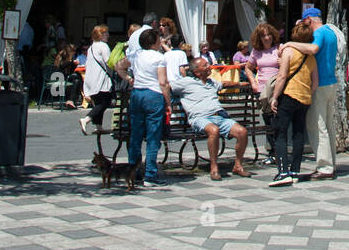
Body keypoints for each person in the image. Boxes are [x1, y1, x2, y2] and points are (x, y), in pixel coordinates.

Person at [172, 57, 254, 180]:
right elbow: (166, 86)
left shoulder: (211, 82)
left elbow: (224, 84)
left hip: (219, 116)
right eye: (205, 65)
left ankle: (238, 165)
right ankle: (214, 167)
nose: (209, 66)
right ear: (197, 71)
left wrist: (239, 83)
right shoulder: (186, 82)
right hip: (200, 118)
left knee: (242, 132)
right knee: (214, 130)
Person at [115, 26, 170, 189]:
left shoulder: (135, 55)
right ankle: (150, 174)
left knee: (136, 135)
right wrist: (168, 102)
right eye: (159, 40)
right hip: (153, 95)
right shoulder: (160, 57)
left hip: (137, 94)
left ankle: (134, 170)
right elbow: (163, 82)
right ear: (154, 43)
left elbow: (118, 66)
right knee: (153, 135)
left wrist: (129, 78)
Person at [269, 21, 318, 186]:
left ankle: (283, 172)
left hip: (289, 95)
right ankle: (295, 170)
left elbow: (282, 76)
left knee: (281, 133)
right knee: (298, 134)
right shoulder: (311, 57)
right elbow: (315, 82)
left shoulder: (288, 51)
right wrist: (307, 93)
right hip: (304, 98)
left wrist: (275, 96)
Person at [296, 6, 341, 180]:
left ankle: (324, 167)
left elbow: (313, 49)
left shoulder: (320, 33)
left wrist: (291, 44)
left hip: (319, 84)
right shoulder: (331, 32)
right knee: (328, 126)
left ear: (309, 20)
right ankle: (331, 163)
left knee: (317, 125)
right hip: (331, 82)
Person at [79, 25, 115, 136]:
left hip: (91, 79)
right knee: (105, 102)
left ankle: (99, 127)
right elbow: (109, 62)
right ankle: (86, 119)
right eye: (106, 33)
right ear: (100, 35)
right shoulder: (103, 46)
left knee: (98, 102)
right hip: (101, 79)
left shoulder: (91, 47)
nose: (108, 35)